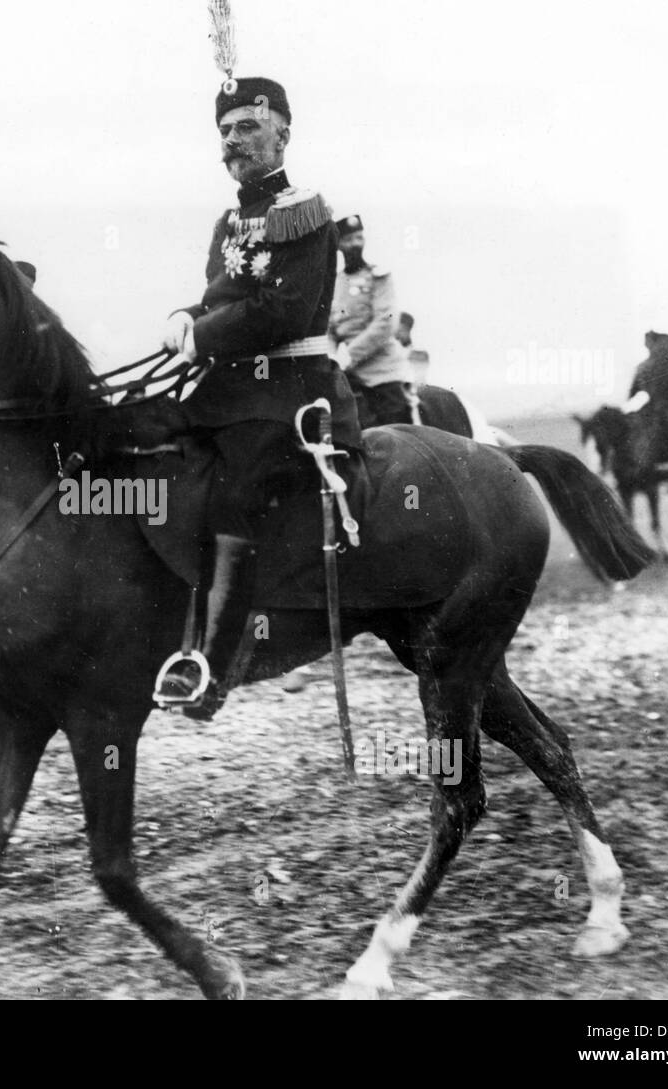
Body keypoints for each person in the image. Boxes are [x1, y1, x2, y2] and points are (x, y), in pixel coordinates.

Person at [151, 75, 361, 720]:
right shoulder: (230, 219)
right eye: (225, 131)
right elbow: (222, 295)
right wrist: (185, 317)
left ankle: (210, 668)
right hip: (229, 386)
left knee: (235, 490)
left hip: (288, 391)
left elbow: (282, 310)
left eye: (246, 127)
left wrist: (204, 336)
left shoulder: (304, 210)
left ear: (282, 133)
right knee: (149, 449)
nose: (232, 141)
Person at [328, 216, 414, 427]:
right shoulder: (335, 283)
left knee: (397, 435)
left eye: (359, 237)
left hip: (382, 373)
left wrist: (349, 355)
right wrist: (331, 357)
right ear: (339, 245)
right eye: (349, 239)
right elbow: (330, 329)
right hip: (348, 374)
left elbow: (386, 322)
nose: (355, 244)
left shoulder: (378, 276)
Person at [396, 311, 431, 388]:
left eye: (401, 330)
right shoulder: (394, 346)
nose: (397, 333)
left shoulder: (418, 351)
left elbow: (420, 382)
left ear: (408, 329)